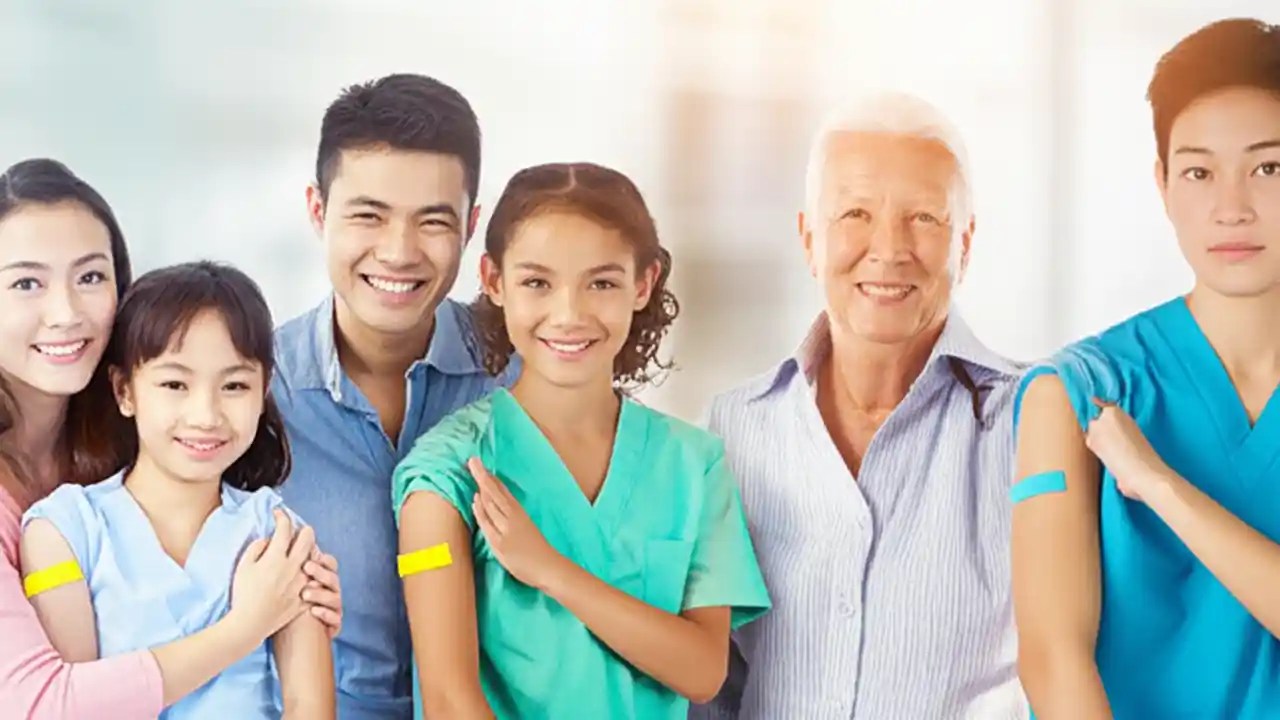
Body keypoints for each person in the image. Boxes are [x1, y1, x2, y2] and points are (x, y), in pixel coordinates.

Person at [391, 162, 771, 720]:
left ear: (643, 284)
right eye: (537, 282)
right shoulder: (440, 478)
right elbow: (449, 703)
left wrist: (549, 570)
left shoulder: (696, 464)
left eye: (601, 282)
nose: (569, 315)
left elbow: (702, 672)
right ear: (495, 281)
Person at [691, 93, 1028, 719]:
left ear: (967, 242)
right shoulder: (734, 427)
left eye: (925, 217)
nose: (889, 248)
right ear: (809, 239)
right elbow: (713, 680)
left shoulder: (1032, 420)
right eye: (855, 213)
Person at [0, 159, 341, 719]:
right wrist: (250, 623)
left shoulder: (258, 521)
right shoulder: (66, 526)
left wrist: (304, 604)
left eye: (90, 276)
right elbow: (52, 706)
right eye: (26, 282)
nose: (65, 313)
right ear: (129, 390)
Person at [1013, 18, 1280, 719]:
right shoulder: (1073, 394)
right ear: (1162, 185)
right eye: (1198, 171)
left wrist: (1158, 485)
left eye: (1268, 168)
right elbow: (1051, 657)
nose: (1232, 207)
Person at [272, 73, 513, 719]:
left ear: (471, 227)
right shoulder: (247, 397)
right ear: (318, 212)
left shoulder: (526, 378)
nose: (399, 252)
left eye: (433, 221)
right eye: (368, 216)